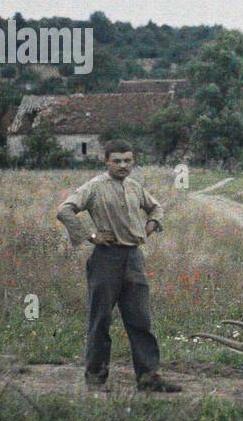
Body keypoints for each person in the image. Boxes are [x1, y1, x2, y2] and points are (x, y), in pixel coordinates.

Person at [55, 140, 182, 393]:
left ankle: (148, 378)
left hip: (134, 259)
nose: (123, 165)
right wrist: (91, 237)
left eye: (128, 160)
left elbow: (156, 208)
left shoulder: (135, 187)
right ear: (106, 161)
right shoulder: (94, 187)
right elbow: (65, 210)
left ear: (133, 161)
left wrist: (150, 226)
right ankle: (95, 379)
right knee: (100, 320)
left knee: (140, 320)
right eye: (117, 161)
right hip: (106, 259)